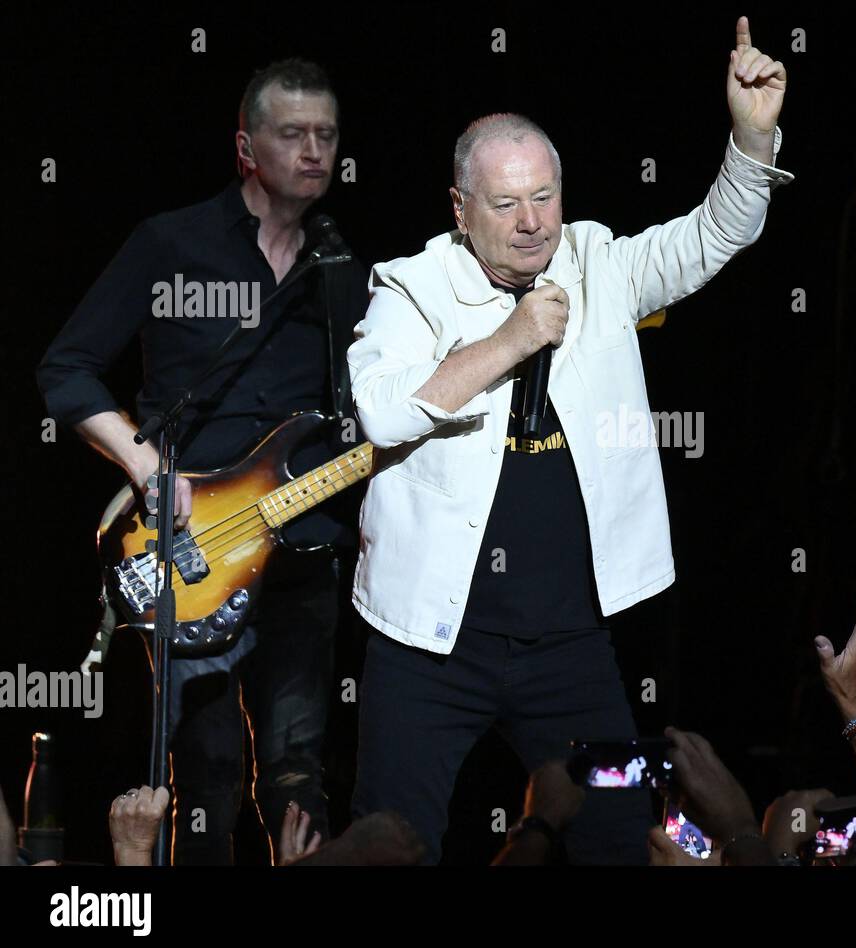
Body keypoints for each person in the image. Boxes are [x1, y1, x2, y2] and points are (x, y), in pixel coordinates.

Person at [348, 16, 793, 863]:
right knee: (390, 844)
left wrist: (750, 135)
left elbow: (714, 235)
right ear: (459, 208)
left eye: (544, 197)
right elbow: (383, 413)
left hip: (570, 646)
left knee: (619, 843)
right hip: (429, 645)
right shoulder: (410, 288)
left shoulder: (598, 262)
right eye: (505, 202)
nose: (531, 222)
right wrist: (512, 338)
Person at [36, 58, 367, 864]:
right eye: (293, 134)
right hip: (194, 557)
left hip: (303, 551)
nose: (315, 150)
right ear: (247, 148)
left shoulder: (344, 275)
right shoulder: (171, 242)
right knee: (206, 778)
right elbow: (66, 367)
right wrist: (146, 466)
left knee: (297, 772)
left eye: (326, 135)